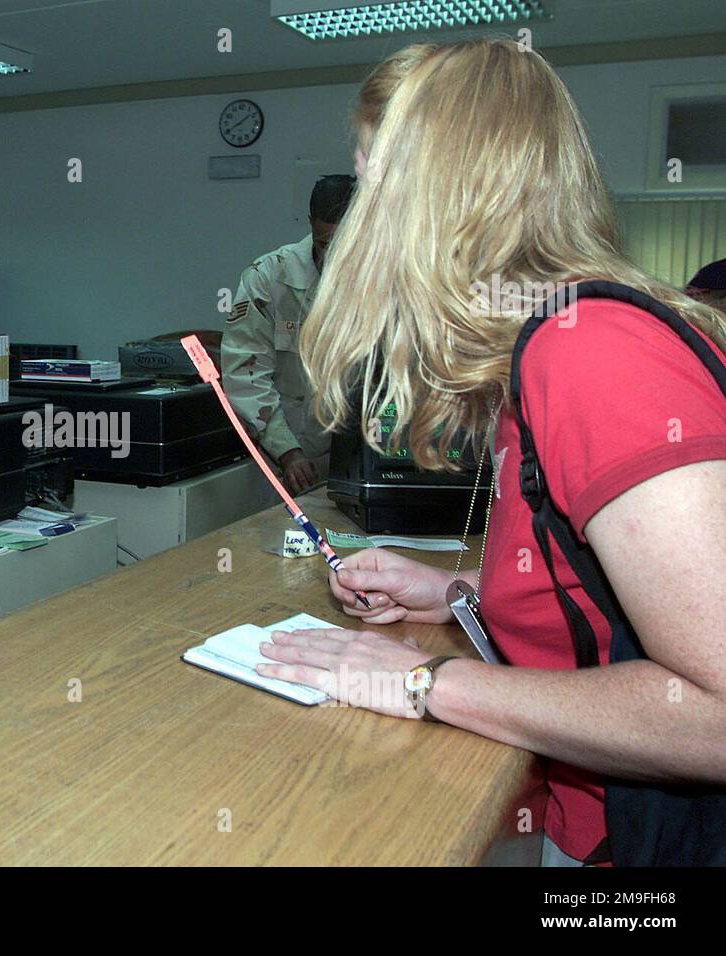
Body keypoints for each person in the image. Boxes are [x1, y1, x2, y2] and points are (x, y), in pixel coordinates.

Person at [254, 39, 726, 866]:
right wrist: (460, 593)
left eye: (368, 190)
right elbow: (613, 597)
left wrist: (417, 681)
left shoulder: (594, 353)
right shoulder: (547, 343)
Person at [221, 174, 356, 494]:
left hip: (356, 453)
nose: (333, 255)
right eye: (325, 243)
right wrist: (288, 451)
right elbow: (246, 375)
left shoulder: (382, 278)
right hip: (284, 452)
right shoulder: (269, 277)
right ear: (310, 224)